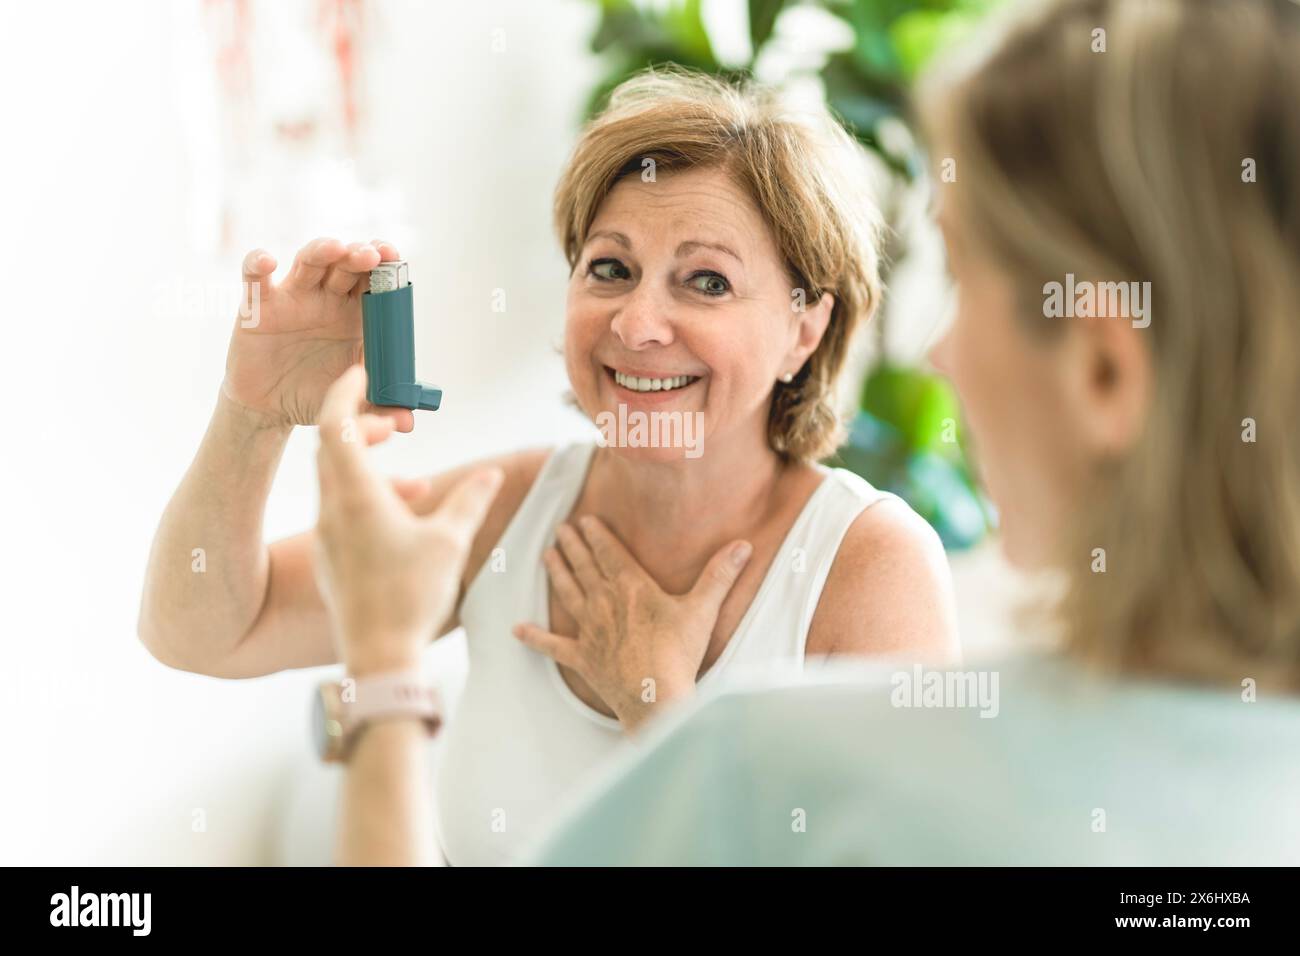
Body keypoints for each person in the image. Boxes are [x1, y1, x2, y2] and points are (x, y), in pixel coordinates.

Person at [523, 0, 1300, 865]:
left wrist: (389, 695)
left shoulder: (779, 763)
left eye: (962, 276)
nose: (937, 353)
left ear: (1103, 372)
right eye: (610, 268)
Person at [137, 68, 958, 866]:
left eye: (706, 282)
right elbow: (203, 630)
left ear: (804, 331)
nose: (638, 323)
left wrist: (661, 712)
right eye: (610, 268)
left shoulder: (868, 567)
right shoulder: (504, 510)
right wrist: (250, 416)